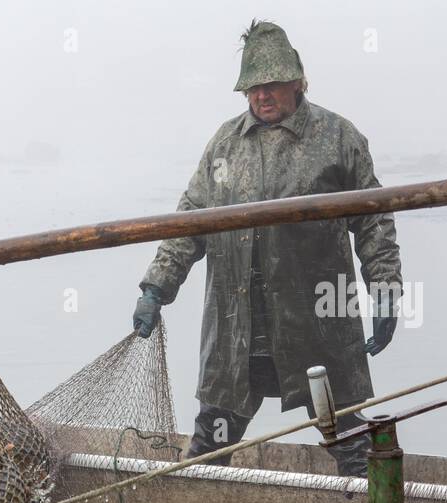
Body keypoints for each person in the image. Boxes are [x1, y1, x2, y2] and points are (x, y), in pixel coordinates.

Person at [132, 21, 403, 477]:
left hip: (318, 327)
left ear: (297, 82)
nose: (263, 96)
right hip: (238, 333)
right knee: (210, 444)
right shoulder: (224, 145)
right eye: (254, 88)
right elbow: (188, 223)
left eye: (273, 85)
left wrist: (387, 291)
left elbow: (374, 222)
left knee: (351, 442)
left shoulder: (338, 139)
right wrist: (156, 288)